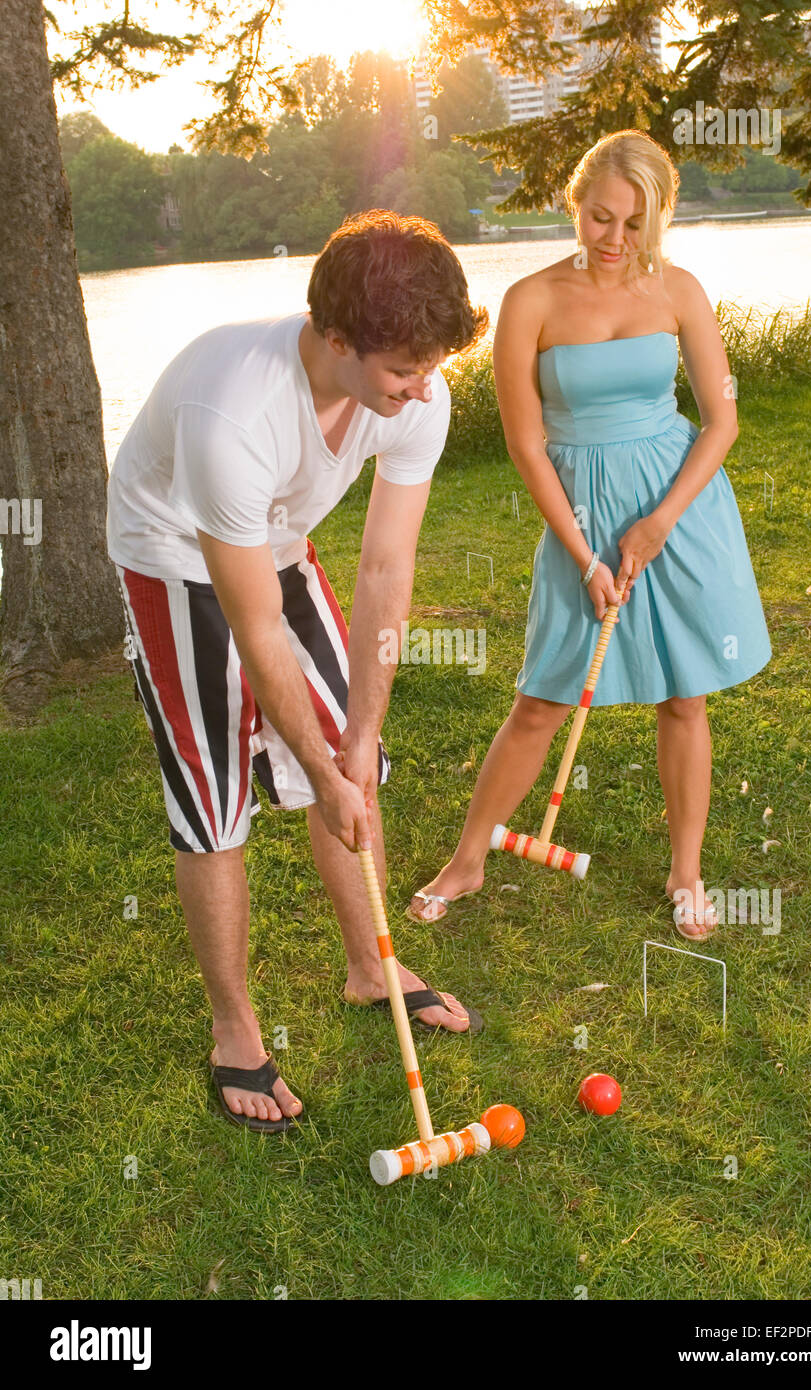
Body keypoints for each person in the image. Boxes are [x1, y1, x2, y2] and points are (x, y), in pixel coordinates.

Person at [107, 210, 488, 1132]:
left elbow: (385, 567)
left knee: (359, 762)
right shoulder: (232, 409)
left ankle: (371, 966)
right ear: (336, 339)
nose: (420, 389)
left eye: (432, 366)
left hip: (272, 541)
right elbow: (253, 623)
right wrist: (316, 765)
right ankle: (234, 1031)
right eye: (403, 370)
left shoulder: (417, 393)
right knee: (212, 796)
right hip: (173, 554)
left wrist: (356, 736)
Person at [408, 130, 771, 941]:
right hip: (581, 512)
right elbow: (525, 444)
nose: (614, 240)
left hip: (677, 504)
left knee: (685, 696)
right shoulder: (530, 300)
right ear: (573, 203)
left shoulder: (679, 289)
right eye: (600, 217)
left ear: (657, 220)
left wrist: (660, 520)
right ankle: (467, 860)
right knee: (540, 699)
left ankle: (685, 874)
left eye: (633, 224)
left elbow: (720, 420)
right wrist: (582, 552)